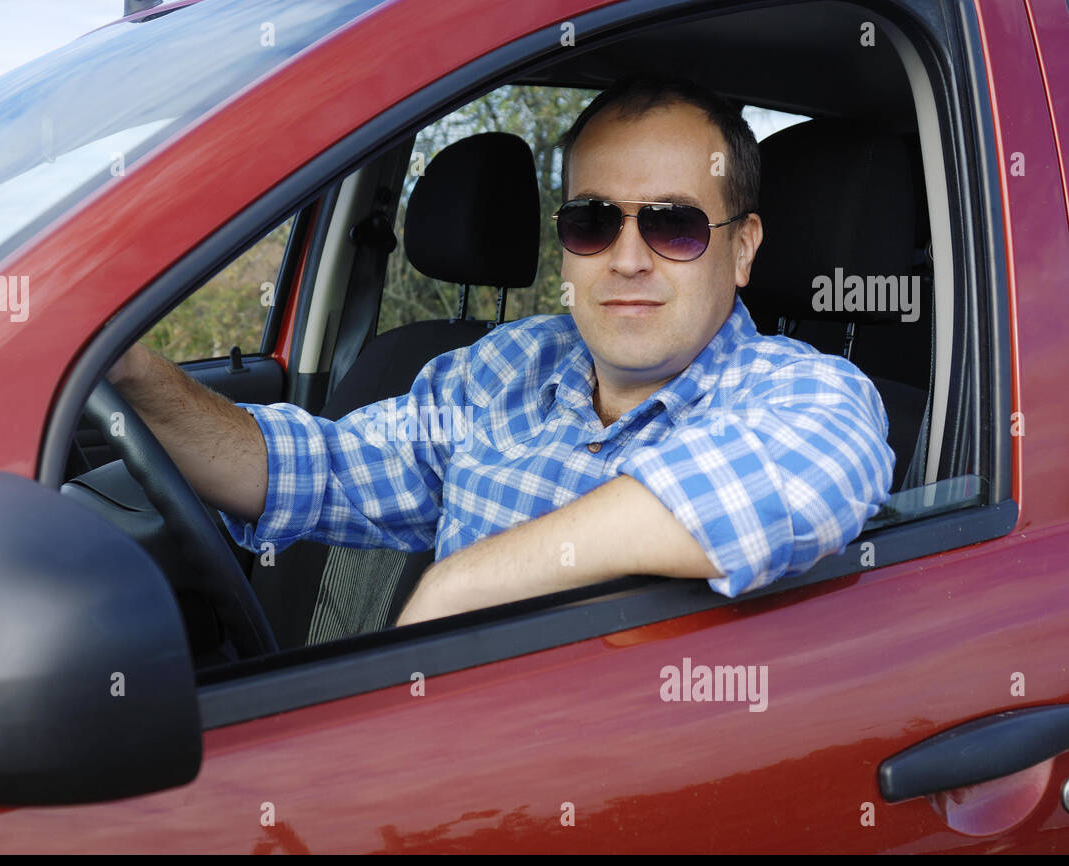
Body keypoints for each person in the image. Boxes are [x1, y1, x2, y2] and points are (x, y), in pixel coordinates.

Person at [108, 74, 894, 628]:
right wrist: (134, 373)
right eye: (592, 221)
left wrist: (457, 584)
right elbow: (319, 470)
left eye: (672, 225)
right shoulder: (504, 368)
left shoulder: (807, 394)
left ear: (744, 248)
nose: (626, 258)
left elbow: (796, 479)